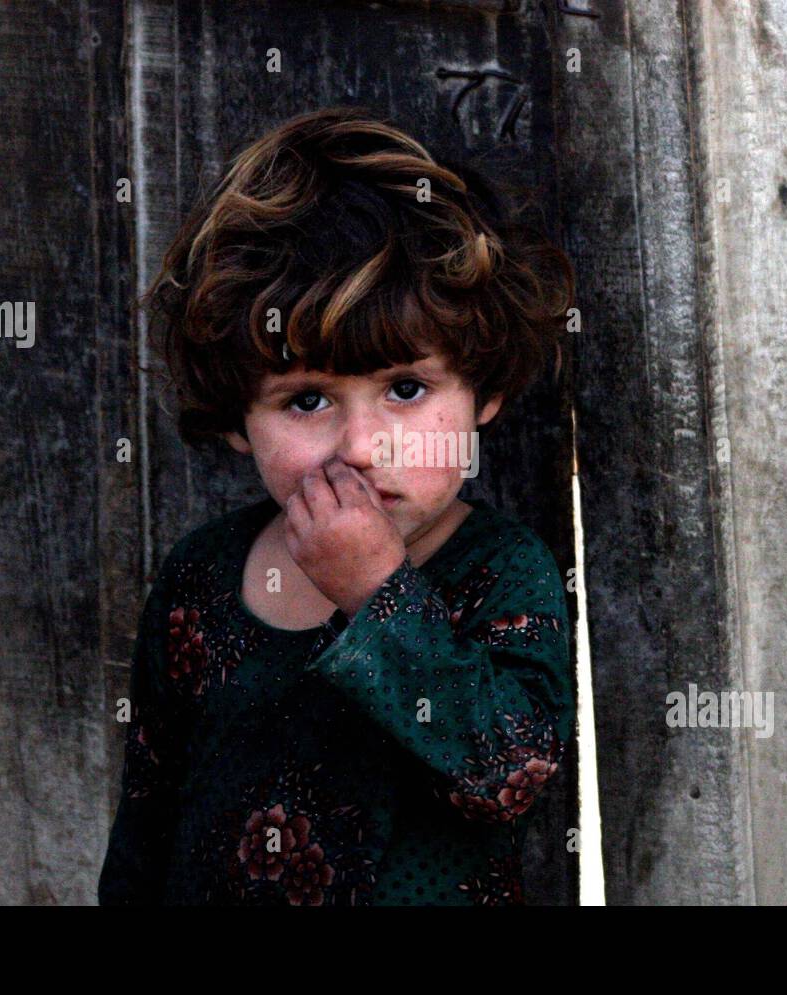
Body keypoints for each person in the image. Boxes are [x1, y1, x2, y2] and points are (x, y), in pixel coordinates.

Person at [98, 106, 576, 905]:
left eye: (406, 389)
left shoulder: (498, 575)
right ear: (236, 417)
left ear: (485, 391)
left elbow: (508, 776)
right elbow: (148, 818)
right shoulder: (202, 580)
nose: (360, 444)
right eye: (308, 399)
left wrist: (379, 595)